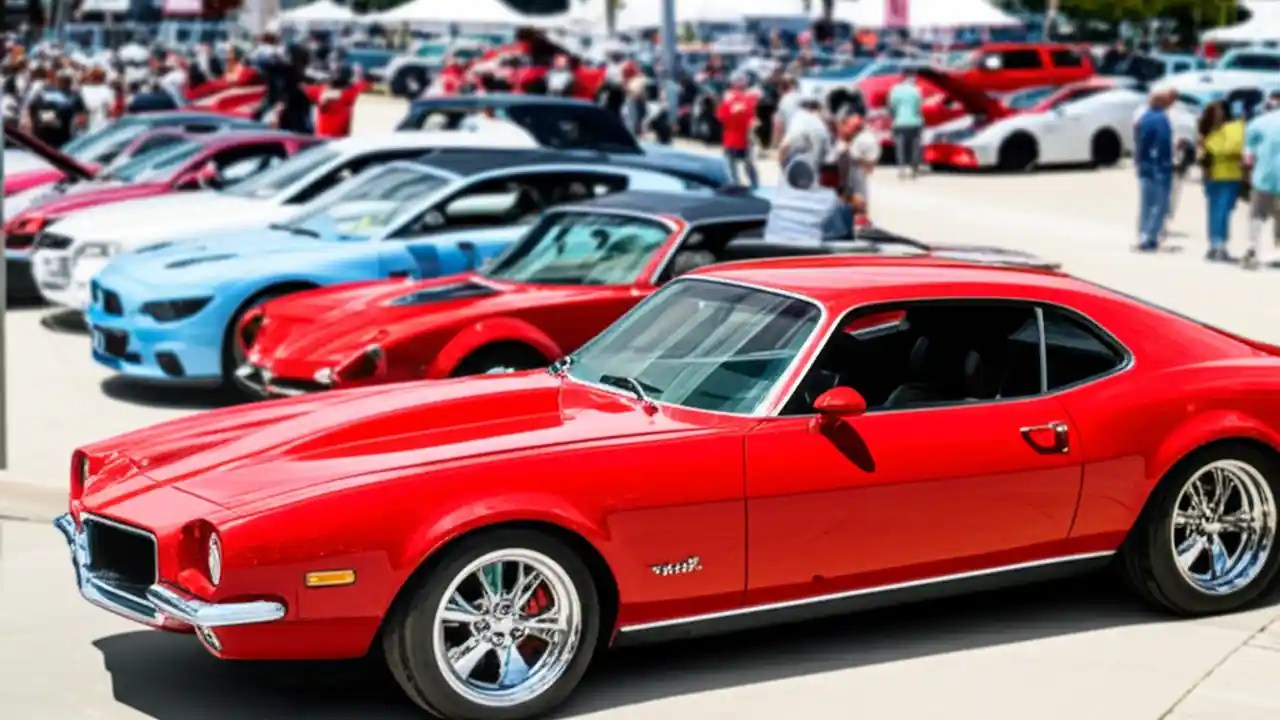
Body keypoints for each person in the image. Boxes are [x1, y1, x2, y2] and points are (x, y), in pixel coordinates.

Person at [1197, 101, 1246, 262]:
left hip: (1215, 175)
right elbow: (1236, 149)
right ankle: (1219, 245)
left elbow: (1206, 153)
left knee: (1216, 211)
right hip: (1228, 175)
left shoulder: (1210, 130)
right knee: (1222, 212)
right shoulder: (1236, 128)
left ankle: (1215, 245)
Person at [1134, 86, 1177, 252]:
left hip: (1145, 165)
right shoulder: (1160, 119)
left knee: (1146, 203)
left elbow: (1140, 140)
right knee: (1159, 204)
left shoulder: (1144, 117)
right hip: (1159, 167)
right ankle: (1151, 237)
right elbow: (1162, 142)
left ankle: (1143, 234)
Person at [1242, 91, 1280, 270]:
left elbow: (1248, 153)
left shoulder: (1260, 122)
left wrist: (1247, 169)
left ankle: (1252, 247)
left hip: (1263, 176)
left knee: (1257, 214)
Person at [303, 65, 368, 138]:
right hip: (341, 139)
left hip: (321, 138)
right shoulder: (351, 92)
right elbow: (364, 84)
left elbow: (303, 88)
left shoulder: (320, 91)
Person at [717, 75, 759, 188]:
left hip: (730, 137)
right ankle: (755, 184)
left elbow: (720, 116)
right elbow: (752, 119)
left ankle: (734, 184)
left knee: (731, 165)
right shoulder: (750, 98)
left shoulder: (728, 98)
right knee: (748, 163)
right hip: (744, 138)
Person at [26, 69, 83, 147]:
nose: (64, 82)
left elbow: (80, 115)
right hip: (50, 133)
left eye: (66, 80)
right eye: (63, 80)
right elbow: (33, 107)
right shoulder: (46, 91)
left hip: (62, 134)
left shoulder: (75, 96)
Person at [777, 89, 832, 171]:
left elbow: (785, 145)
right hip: (820, 170)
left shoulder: (800, 117)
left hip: (801, 173)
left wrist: (781, 164)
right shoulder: (823, 125)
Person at [887, 68, 925, 179]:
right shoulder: (916, 90)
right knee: (915, 145)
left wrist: (894, 117)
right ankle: (914, 168)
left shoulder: (894, 90)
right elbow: (918, 108)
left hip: (899, 122)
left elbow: (891, 107)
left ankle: (901, 168)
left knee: (900, 146)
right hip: (915, 122)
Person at [79, 65, 114, 133]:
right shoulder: (109, 91)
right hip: (104, 129)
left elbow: (80, 117)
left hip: (88, 129)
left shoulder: (83, 90)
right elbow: (111, 112)